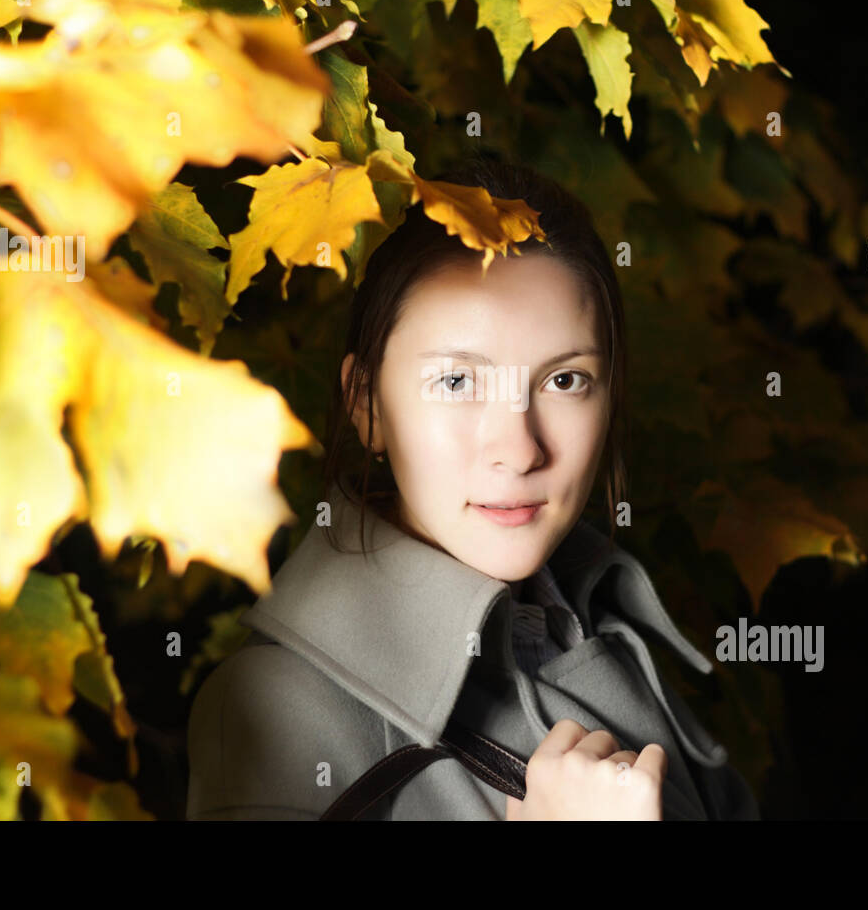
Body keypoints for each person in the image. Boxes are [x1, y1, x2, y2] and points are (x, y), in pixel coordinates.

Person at [186, 154, 759, 820]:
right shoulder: (271, 715)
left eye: (565, 380)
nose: (519, 450)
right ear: (366, 404)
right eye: (456, 382)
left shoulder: (607, 638)